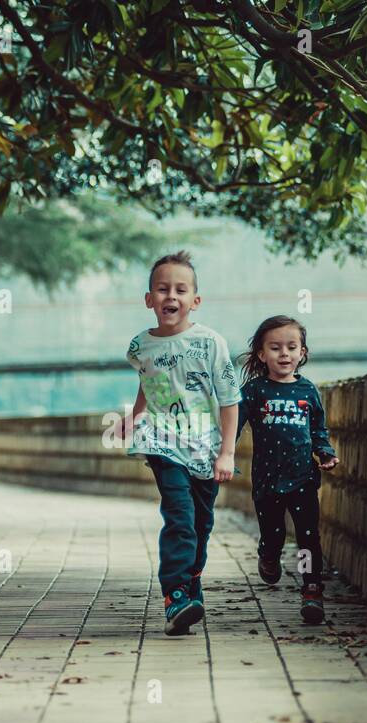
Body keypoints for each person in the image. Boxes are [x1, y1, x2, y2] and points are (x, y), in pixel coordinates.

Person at [117, 251, 240, 636]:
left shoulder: (211, 343)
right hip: (162, 442)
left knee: (202, 523)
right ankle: (175, 595)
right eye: (162, 288)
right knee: (180, 517)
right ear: (149, 298)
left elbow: (229, 398)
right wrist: (136, 415)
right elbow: (150, 381)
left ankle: (191, 583)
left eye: (180, 289)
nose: (171, 296)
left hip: (205, 446)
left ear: (194, 300)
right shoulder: (141, 346)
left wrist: (227, 452)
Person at [234, 315, 339, 624]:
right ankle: (268, 553)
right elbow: (234, 425)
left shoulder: (308, 391)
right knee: (274, 533)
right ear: (261, 355)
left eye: (292, 347)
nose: (284, 354)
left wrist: (325, 453)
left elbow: (318, 429)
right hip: (267, 479)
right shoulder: (253, 391)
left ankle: (311, 590)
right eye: (275, 347)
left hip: (303, 477)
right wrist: (221, 452)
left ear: (302, 353)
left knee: (308, 537)